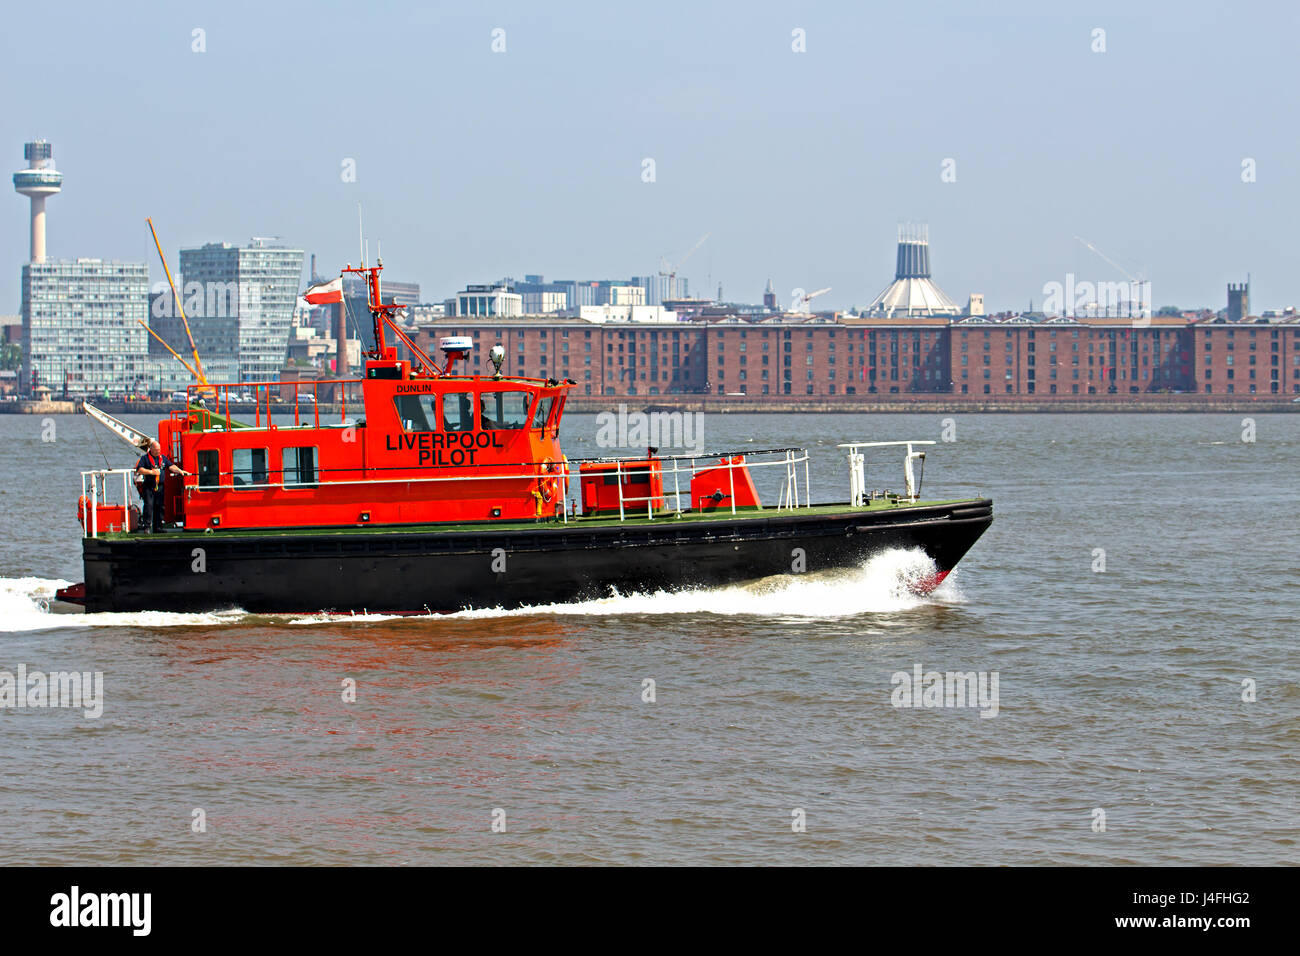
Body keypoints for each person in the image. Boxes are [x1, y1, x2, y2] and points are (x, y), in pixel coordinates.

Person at [135, 439, 187, 533]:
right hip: (149, 486)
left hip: (160, 486)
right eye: (156, 450)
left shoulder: (162, 458)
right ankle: (147, 527)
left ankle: (158, 527)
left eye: (159, 449)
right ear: (151, 449)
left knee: (160, 506)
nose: (158, 451)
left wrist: (180, 471)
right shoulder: (145, 458)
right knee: (149, 506)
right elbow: (139, 469)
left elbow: (171, 466)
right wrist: (151, 472)